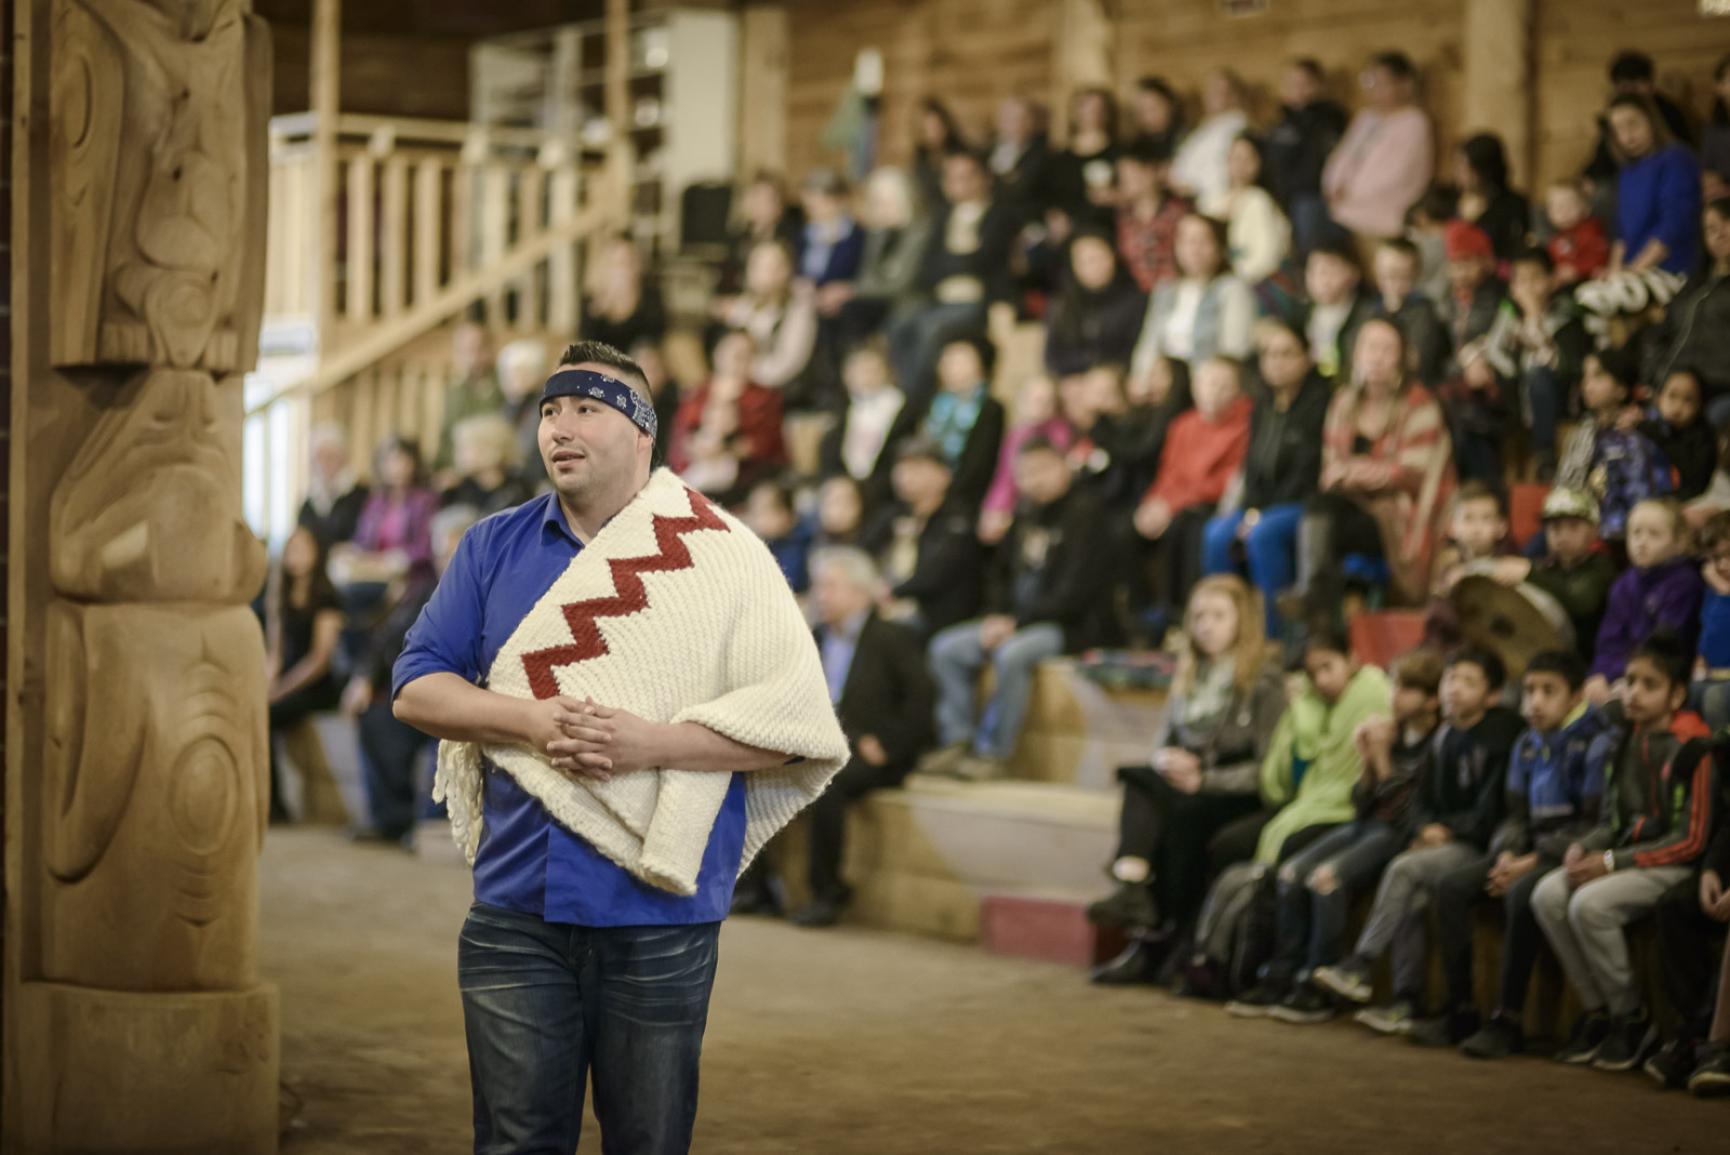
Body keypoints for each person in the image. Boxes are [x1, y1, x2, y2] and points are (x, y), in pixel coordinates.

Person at [392, 339, 848, 1153]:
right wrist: (528, 720)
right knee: (515, 1142)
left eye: (587, 410)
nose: (560, 428)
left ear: (643, 432)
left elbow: (795, 729)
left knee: (648, 1141)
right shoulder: (493, 545)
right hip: (514, 906)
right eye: (549, 412)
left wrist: (652, 743)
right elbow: (416, 686)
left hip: (659, 910)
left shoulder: (721, 553)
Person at [1308, 647, 1522, 1033]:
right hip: (1439, 842)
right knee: (1412, 898)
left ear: (1491, 696)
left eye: (1469, 682)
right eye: (1451, 679)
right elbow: (1419, 803)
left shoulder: (1500, 737)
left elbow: (1491, 813)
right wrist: (1425, 829)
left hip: (1476, 846)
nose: (1455, 689)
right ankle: (1406, 1001)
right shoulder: (1444, 736)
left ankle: (1360, 964)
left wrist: (1448, 832)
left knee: (1404, 869)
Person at [1088, 576, 1289, 986]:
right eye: (1198, 616)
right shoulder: (1189, 673)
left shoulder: (1264, 681)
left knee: (1173, 810)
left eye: (1218, 616)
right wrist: (1165, 760)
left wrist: (1206, 780)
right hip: (1185, 784)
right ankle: (1136, 899)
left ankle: (1156, 925)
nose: (1206, 626)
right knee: (1140, 780)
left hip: (1235, 790)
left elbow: (1266, 769)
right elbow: (1162, 744)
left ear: (1242, 622)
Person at [1532, 633, 1717, 1072]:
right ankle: (1600, 1010)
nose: (1633, 693)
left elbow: (1690, 840)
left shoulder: (1695, 748)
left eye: (1648, 684)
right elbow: (1613, 823)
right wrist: (1585, 848)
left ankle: (1632, 1017)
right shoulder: (1622, 740)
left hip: (1673, 867)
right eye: (1629, 681)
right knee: (1547, 894)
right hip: (1626, 858)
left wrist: (1612, 862)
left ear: (1676, 694)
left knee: (1590, 905)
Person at [1418, 650, 1609, 1054]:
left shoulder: (1594, 743)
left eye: (1549, 691)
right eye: (1530, 691)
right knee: (1451, 887)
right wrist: (1506, 854)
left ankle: (1508, 1019)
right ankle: (1462, 1010)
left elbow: (1593, 824)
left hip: (1567, 854)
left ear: (1576, 696)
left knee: (1523, 896)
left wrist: (1533, 861)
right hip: (1526, 852)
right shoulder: (1525, 743)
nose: (1535, 702)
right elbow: (1515, 816)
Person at [1241, 649, 1445, 1021]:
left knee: (1326, 879)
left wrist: (1382, 759)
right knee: (1290, 872)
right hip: (1364, 824)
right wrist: (1366, 762)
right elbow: (1361, 801)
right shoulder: (1393, 733)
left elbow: (1406, 817)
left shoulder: (1437, 744)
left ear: (1432, 699)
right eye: (1395, 685)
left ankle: (1320, 984)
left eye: (1407, 689)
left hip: (1394, 836)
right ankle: (1285, 974)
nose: (1395, 696)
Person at [1195, 629, 1390, 1005]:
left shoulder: (1370, 695)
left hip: (1349, 814)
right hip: (1303, 807)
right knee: (1224, 844)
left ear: (1352, 659)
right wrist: (1302, 712)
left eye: (1329, 667)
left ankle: (1290, 974)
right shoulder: (1314, 708)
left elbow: (1361, 790)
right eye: (1312, 673)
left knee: (1290, 866)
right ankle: (1218, 962)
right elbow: (1283, 784)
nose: (1321, 680)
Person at [923, 436, 1114, 782]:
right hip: (1017, 620)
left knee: (1012, 655)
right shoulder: (1024, 513)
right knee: (945, 648)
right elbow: (1001, 576)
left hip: (1068, 624)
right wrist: (997, 615)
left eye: (1042, 469)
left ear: (1062, 467)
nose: (1034, 480)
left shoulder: (1087, 512)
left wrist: (1015, 621)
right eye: (1025, 474)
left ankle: (994, 753)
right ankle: (958, 739)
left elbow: (1076, 593)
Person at [792, 549, 936, 928]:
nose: (820, 595)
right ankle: (754, 888)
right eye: (818, 586)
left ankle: (827, 892)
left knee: (827, 786)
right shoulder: (816, 636)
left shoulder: (893, 637)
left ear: (860, 593)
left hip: (876, 753)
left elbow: (921, 702)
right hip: (825, 742)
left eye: (830, 587)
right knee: (752, 771)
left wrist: (888, 745)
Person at [1289, 319, 1455, 617]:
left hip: (1397, 514)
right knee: (1317, 510)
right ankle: (1318, 613)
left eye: (1386, 349)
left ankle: (1313, 605)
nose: (1376, 357)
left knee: (1323, 517)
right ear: (1356, 354)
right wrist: (1365, 472)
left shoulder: (1419, 404)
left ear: (1402, 358)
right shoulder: (1343, 401)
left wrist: (1354, 471)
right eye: (1370, 347)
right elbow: (1330, 471)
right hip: (1348, 507)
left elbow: (1410, 474)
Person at [343, 504, 480, 846]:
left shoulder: (488, 593)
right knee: (374, 718)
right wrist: (363, 677)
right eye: (439, 554)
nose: (444, 562)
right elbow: (386, 636)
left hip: (466, 699)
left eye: (452, 552)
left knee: (446, 730)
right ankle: (391, 819)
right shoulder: (423, 590)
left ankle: (430, 826)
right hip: (418, 696)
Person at [1201, 319, 1330, 635]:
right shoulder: (1262, 405)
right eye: (1271, 355)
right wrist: (1251, 509)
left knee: (1263, 534)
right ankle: (1226, 629)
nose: (1278, 362)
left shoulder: (1321, 402)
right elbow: (1253, 467)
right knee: (1216, 533)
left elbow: (1308, 471)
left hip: (1305, 505)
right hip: (1263, 505)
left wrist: (1259, 515)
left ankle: (1275, 638)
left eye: (1287, 354)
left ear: (1307, 357)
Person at [888, 149, 1016, 405]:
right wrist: (960, 259)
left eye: (967, 176)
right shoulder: (942, 217)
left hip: (978, 299)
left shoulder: (999, 215)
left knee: (929, 330)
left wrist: (955, 260)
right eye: (953, 178)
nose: (960, 184)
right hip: (939, 298)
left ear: (984, 178)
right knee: (899, 325)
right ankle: (907, 391)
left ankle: (918, 400)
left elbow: (985, 260)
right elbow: (929, 265)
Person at [1132, 356, 1252, 622]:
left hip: (1216, 505)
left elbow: (1228, 482)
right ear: (1196, 387)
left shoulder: (1247, 424)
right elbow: (1168, 473)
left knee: (1189, 528)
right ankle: (1145, 616)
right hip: (1178, 504)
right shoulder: (1182, 425)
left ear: (1238, 390)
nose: (1215, 392)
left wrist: (1172, 505)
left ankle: (1188, 613)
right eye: (1209, 384)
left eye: (1224, 385)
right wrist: (1154, 503)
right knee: (1127, 530)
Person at [1479, 246, 1589, 481]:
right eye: (1521, 280)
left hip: (1558, 395)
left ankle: (1544, 454)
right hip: (1518, 398)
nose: (1528, 286)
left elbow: (1562, 364)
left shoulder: (1566, 315)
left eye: (1535, 278)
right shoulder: (1509, 314)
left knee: (1538, 373)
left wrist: (1534, 317)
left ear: (1552, 280)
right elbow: (1493, 352)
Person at [863, 437, 984, 639]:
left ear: (944, 475)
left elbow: (937, 573)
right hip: (885, 599)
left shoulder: (957, 518)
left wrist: (892, 591)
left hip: (934, 611)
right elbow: (861, 552)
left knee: (879, 629)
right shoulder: (891, 514)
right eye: (901, 468)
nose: (905, 477)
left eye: (916, 468)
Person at [265, 525, 346, 823]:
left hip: (316, 686)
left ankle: (276, 806)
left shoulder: (327, 597)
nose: (296, 555)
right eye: (292, 549)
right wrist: (267, 683)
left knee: (266, 714)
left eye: (303, 548)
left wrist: (281, 690)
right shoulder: (280, 595)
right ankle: (262, 799)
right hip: (287, 680)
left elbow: (319, 660)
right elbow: (275, 652)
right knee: (253, 709)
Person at [1489, 487, 1618, 666]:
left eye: (1573, 526)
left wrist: (1529, 574)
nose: (1563, 535)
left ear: (1593, 530)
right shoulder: (1545, 567)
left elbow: (1581, 600)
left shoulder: (1601, 566)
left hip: (1590, 662)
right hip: (1547, 657)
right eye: (1555, 527)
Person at [1588, 499, 1703, 697]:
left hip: (1660, 678)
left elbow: (1666, 644)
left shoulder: (1684, 583)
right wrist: (1601, 675)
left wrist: (1627, 677)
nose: (1642, 542)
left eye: (1654, 534)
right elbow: (1609, 641)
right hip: (1622, 674)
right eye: (1635, 533)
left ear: (1679, 542)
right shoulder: (1623, 584)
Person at [1556, 349, 1672, 544]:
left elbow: (1643, 491)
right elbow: (1564, 485)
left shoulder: (1641, 428)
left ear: (1621, 388)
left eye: (1598, 376)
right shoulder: (1583, 430)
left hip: (1624, 529)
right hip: (1579, 521)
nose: (1587, 384)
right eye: (1585, 376)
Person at [1128, 213, 1256, 387]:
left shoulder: (1232, 289)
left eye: (1203, 240)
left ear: (1219, 247)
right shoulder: (1165, 290)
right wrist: (1141, 378)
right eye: (1186, 241)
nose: (1194, 249)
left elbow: (1234, 352)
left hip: (1209, 386)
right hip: (1165, 386)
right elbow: (1148, 343)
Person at [884, 334, 1006, 516]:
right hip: (918, 485)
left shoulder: (990, 409)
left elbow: (981, 462)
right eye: (947, 360)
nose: (952, 367)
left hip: (962, 495)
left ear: (980, 365)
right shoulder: (927, 402)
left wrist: (942, 483)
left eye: (961, 360)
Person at [665, 329, 787, 505]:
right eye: (733, 352)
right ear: (717, 353)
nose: (738, 359)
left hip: (746, 482)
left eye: (747, 354)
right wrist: (695, 449)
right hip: (695, 474)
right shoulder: (696, 394)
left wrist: (726, 451)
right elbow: (679, 438)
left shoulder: (765, 398)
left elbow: (765, 444)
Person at [1321, 51, 1434, 240]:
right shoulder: (1366, 118)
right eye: (1370, 82)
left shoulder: (1414, 122)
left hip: (1384, 209)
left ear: (1404, 84)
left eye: (1382, 83)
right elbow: (1341, 155)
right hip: (1344, 206)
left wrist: (1353, 193)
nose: (1374, 89)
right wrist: (1332, 184)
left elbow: (1402, 172)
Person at [1646, 197, 1730, 418]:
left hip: (1717, 388)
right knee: (1647, 421)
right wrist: (1655, 378)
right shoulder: (1694, 284)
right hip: (1674, 385)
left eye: (1727, 221)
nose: (1719, 233)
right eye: (1711, 228)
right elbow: (1663, 334)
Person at [1439, 221, 1507, 489]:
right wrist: (1463, 363)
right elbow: (1447, 354)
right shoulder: (1451, 300)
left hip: (1494, 386)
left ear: (1486, 262)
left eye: (1467, 263)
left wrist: (1470, 363)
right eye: (1455, 264)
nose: (1460, 272)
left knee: (1469, 416)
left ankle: (1485, 491)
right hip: (1462, 385)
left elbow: (1491, 345)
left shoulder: (1497, 294)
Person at [1606, 95, 1702, 276]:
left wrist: (1634, 272)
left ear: (1651, 120)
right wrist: (1614, 275)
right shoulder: (1626, 172)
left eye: (1632, 124)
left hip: (1669, 269)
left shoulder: (1676, 158)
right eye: (1618, 129)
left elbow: (1674, 224)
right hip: (1633, 271)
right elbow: (1621, 235)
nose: (1627, 136)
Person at [838, 167, 933, 348]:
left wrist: (854, 290)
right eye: (876, 203)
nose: (880, 209)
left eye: (886, 202)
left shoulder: (919, 233)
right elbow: (867, 272)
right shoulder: (878, 235)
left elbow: (902, 282)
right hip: (876, 300)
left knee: (889, 323)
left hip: (906, 301)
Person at [1263, 57, 1348, 255]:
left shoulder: (1331, 120)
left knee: (1307, 207)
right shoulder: (1279, 123)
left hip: (1313, 197)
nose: (1298, 89)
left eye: (1304, 83)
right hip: (1281, 195)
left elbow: (1320, 165)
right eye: (1292, 83)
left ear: (1319, 86)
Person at [715, 239, 819, 398]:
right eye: (758, 266)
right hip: (735, 386)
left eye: (773, 266)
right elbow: (725, 354)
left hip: (774, 392)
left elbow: (786, 366)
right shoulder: (743, 306)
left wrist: (746, 371)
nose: (764, 273)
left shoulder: (798, 310)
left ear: (787, 270)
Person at [1584, 51, 1698, 192]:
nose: (1627, 137)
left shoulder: (1669, 113)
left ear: (1650, 84)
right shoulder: (1615, 113)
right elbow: (1602, 158)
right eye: (1625, 87)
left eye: (1636, 86)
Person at [1043, 231, 1148, 378]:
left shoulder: (1136, 301)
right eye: (1085, 261)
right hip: (1072, 381)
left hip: (1118, 378)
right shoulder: (1061, 305)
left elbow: (1135, 352)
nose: (1093, 266)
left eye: (1097, 258)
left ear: (1113, 257)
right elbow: (1052, 359)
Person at [817, 343, 907, 508]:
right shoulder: (844, 410)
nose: (865, 376)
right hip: (847, 490)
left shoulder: (901, 409)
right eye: (858, 370)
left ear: (886, 371)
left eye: (871, 369)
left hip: (885, 494)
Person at [340, 436, 439, 584]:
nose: (396, 467)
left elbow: (427, 546)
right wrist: (353, 553)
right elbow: (362, 539)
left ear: (413, 463)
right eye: (389, 461)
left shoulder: (425, 500)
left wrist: (396, 560)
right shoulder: (376, 501)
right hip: (373, 574)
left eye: (401, 460)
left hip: (411, 578)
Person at [1200, 135, 1292, 284]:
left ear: (1260, 163)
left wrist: (1234, 279)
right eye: (1236, 157)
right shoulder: (1212, 200)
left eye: (1248, 159)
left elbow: (1266, 257)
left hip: (1252, 282)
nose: (1240, 165)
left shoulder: (1260, 200)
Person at [1114, 143, 1192, 294]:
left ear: (1150, 172)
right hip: (1134, 297)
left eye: (1132, 173)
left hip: (1174, 291)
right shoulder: (1123, 216)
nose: (1126, 181)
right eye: (1122, 176)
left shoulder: (1178, 212)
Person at [1369, 238, 1448, 387]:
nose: (1395, 283)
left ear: (1416, 275)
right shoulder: (1369, 308)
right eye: (1389, 275)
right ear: (1377, 271)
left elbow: (1418, 362)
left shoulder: (1423, 312)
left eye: (1403, 276)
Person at [714, 172, 802, 303]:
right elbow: (725, 280)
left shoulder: (791, 238)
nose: (758, 204)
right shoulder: (736, 238)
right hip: (737, 303)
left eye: (765, 199)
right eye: (754, 196)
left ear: (779, 205)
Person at [1042, 86, 1120, 232]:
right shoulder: (1059, 158)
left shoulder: (1119, 152)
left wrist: (1116, 197)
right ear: (1075, 113)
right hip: (1067, 228)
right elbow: (1049, 197)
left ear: (1108, 113)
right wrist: (1055, 217)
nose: (1092, 114)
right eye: (1086, 108)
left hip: (1105, 225)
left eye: (1098, 109)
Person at [433, 322, 505, 479]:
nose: (471, 356)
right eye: (463, 350)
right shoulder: (454, 392)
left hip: (496, 470)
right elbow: (446, 437)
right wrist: (443, 469)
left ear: (490, 350)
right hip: (460, 472)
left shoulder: (506, 387)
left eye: (476, 349)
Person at [1170, 70, 1250, 205]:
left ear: (1234, 96)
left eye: (1220, 91)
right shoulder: (1205, 127)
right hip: (1184, 196)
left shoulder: (1237, 126)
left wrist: (1192, 187)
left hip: (1212, 200)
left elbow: (1222, 168)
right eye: (1211, 90)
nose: (1213, 96)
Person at [581, 235, 667, 356]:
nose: (624, 269)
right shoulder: (593, 303)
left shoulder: (650, 296)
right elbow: (586, 342)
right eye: (617, 263)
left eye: (629, 261)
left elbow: (657, 336)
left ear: (638, 266)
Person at [1640, 368, 1716, 503]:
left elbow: (1695, 483)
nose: (1678, 406)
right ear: (1659, 397)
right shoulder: (1646, 426)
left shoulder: (1704, 437)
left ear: (1701, 405)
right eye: (1672, 396)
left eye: (1688, 400)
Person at [1452, 133, 1531, 264]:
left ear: (1484, 169)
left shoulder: (1512, 204)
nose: (1460, 173)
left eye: (1466, 168)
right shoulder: (1450, 198)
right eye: (1458, 166)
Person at [1301, 242, 1373, 382]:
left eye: (1329, 270)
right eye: (1314, 270)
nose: (1321, 279)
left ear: (1354, 273)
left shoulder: (1368, 315)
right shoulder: (1302, 313)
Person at [440, 414, 535, 516]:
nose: (458, 454)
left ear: (491, 450)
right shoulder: (461, 490)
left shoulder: (518, 491)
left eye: (466, 448)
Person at [298, 423, 369, 549]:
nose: (324, 463)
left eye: (330, 456)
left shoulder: (362, 494)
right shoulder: (309, 502)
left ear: (343, 458)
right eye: (319, 457)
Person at [742, 478, 814, 595]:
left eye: (763, 511)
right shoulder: (759, 544)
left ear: (786, 513)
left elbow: (791, 586)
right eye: (753, 511)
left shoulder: (806, 543)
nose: (756, 519)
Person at [988, 96, 1052, 226]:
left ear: (1031, 122)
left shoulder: (1044, 156)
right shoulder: (986, 152)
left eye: (1017, 119)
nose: (1009, 124)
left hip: (1027, 222)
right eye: (1006, 118)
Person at [1693, 511, 1730, 733]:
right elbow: (1710, 643)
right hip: (1715, 675)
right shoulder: (1714, 594)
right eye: (1716, 558)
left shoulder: (1721, 593)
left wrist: (1726, 596)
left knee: (1715, 699)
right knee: (1686, 693)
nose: (1723, 564)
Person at [1542, 179, 1611, 287]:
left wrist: (1577, 269)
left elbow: (1599, 256)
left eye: (1569, 205)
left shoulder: (1592, 229)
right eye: (1557, 207)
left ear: (1586, 208)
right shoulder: (1555, 240)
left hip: (1591, 282)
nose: (1563, 211)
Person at [498, 338, 553, 470]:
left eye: (517, 372)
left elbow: (529, 453)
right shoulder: (510, 404)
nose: (509, 379)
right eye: (506, 372)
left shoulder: (544, 405)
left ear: (536, 374)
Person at [1128, 75, 1186, 159]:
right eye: (1143, 111)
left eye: (1154, 108)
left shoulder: (1186, 139)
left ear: (1170, 105)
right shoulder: (1134, 149)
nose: (1149, 116)